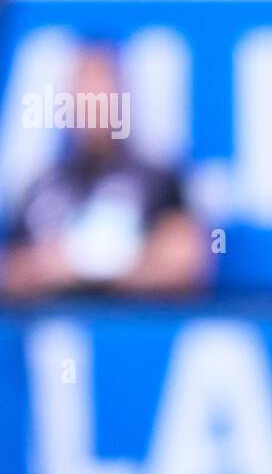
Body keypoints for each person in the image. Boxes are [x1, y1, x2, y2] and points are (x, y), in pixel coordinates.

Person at [3, 46, 206, 298]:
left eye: (101, 85)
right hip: (55, 333)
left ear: (121, 92)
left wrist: (91, 264)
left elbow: (186, 263)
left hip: (130, 330)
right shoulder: (41, 188)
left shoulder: (157, 179)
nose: (91, 99)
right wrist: (46, 265)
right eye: (83, 87)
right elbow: (11, 271)